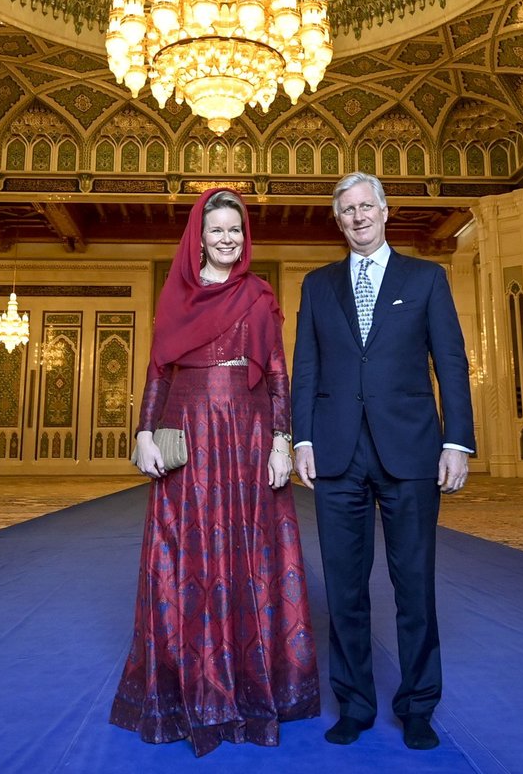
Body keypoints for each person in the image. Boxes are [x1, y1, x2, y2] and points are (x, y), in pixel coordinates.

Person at [110, 187, 320, 756]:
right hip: (188, 430)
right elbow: (157, 372)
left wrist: (281, 441)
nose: (228, 239)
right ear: (199, 237)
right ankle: (189, 693)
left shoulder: (258, 295)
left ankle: (254, 691)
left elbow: (277, 373)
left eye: (236, 230)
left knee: (251, 552)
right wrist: (144, 432)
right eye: (217, 230)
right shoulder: (176, 295)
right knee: (186, 554)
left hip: (249, 433)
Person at [291, 172, 473, 751]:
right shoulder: (318, 286)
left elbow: (451, 362)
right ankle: (354, 704)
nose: (358, 216)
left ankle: (419, 706)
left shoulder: (427, 278)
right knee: (344, 587)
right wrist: (302, 440)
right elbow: (308, 368)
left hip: (412, 450)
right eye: (347, 210)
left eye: (367, 206)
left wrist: (457, 442)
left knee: (413, 584)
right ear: (338, 220)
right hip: (337, 452)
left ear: (386, 211)